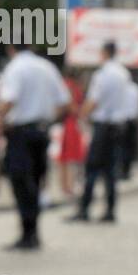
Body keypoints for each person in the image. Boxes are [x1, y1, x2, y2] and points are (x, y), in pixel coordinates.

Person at [0, 44, 69, 249]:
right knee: (36, 182)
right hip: (41, 132)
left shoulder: (15, 68)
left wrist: (0, 119)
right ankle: (33, 231)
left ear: (11, 48)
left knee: (21, 183)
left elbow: (9, 100)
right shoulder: (47, 67)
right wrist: (47, 121)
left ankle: (27, 232)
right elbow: (64, 102)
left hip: (20, 133)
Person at [69, 41, 129, 223]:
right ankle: (110, 209)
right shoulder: (123, 73)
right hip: (118, 126)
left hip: (103, 126)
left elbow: (94, 100)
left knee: (92, 168)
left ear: (104, 52)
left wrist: (82, 115)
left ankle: (84, 208)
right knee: (111, 170)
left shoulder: (102, 75)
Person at [57, 68, 86, 197]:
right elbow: (70, 105)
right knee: (69, 157)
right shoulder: (69, 86)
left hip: (70, 122)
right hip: (70, 123)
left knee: (66, 157)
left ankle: (66, 186)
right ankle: (68, 186)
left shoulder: (68, 85)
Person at [117, 71, 138, 180]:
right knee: (129, 146)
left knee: (122, 146)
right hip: (132, 120)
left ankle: (121, 170)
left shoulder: (121, 89)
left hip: (122, 120)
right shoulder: (137, 89)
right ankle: (126, 170)